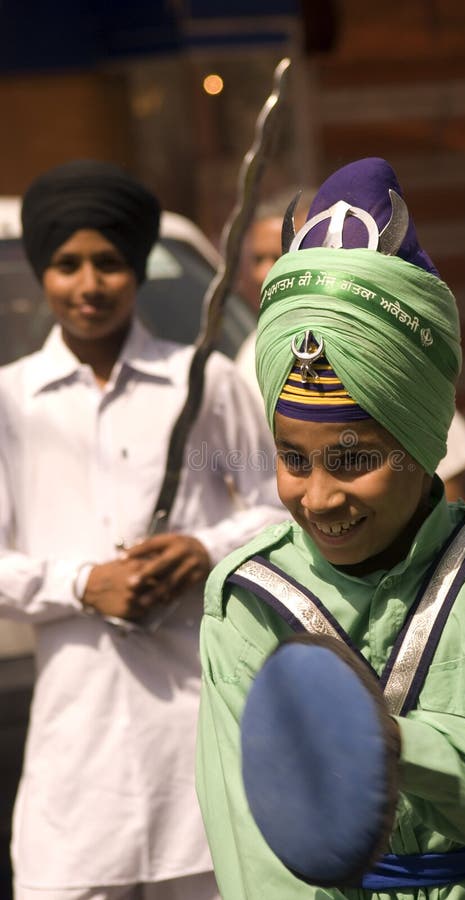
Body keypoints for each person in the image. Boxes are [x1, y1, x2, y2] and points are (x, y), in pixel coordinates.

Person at [196, 157, 465, 899]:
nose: (317, 497)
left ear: (420, 446)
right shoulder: (248, 599)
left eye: (352, 460)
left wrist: (400, 750)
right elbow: (256, 855)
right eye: (293, 458)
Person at [0, 160, 285, 900]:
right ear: (43, 272)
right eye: (67, 265)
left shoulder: (207, 379)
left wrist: (205, 548)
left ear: (135, 270)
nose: (88, 285)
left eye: (109, 263)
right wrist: (82, 583)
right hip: (77, 763)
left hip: (202, 745)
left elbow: (279, 507)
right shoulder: (13, 403)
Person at [237, 190, 465, 502]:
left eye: (277, 257)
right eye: (256, 259)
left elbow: (446, 472)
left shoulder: (381, 341)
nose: (264, 273)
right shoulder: (248, 358)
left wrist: (445, 549)